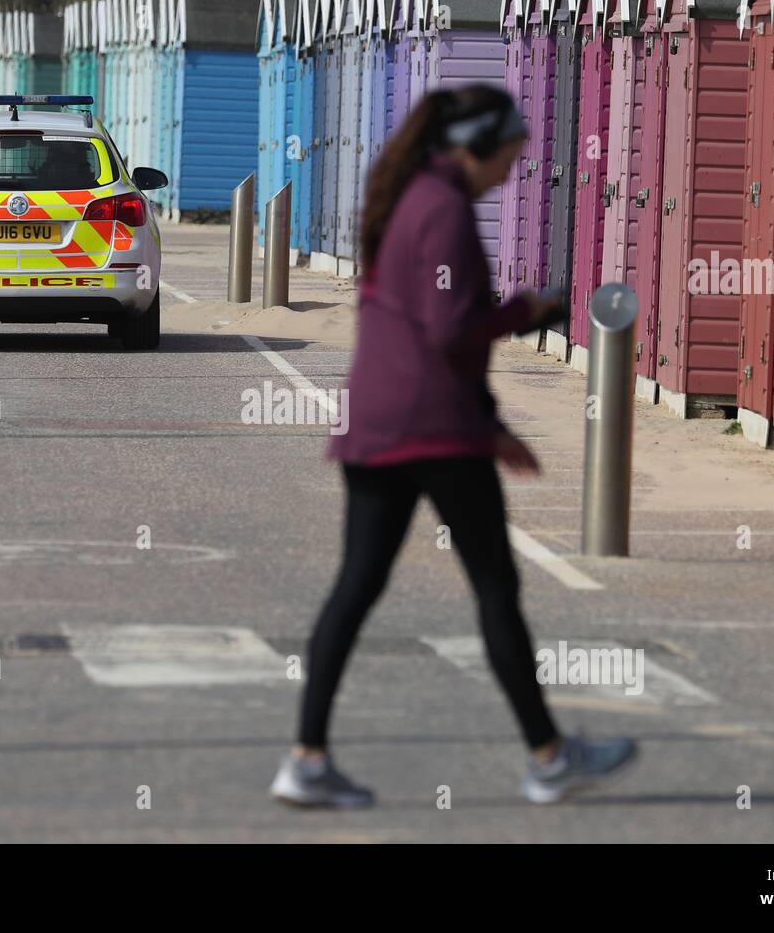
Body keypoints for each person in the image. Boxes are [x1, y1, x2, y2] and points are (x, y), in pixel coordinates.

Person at [270, 85, 637, 809]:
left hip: (381, 422)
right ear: (475, 145)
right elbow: (448, 333)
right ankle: (550, 758)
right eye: (508, 155)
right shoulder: (442, 212)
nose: (511, 170)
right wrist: (524, 311)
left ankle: (306, 761)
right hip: (431, 426)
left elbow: (429, 331)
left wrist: (493, 423)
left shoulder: (411, 198)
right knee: (496, 588)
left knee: (356, 587)